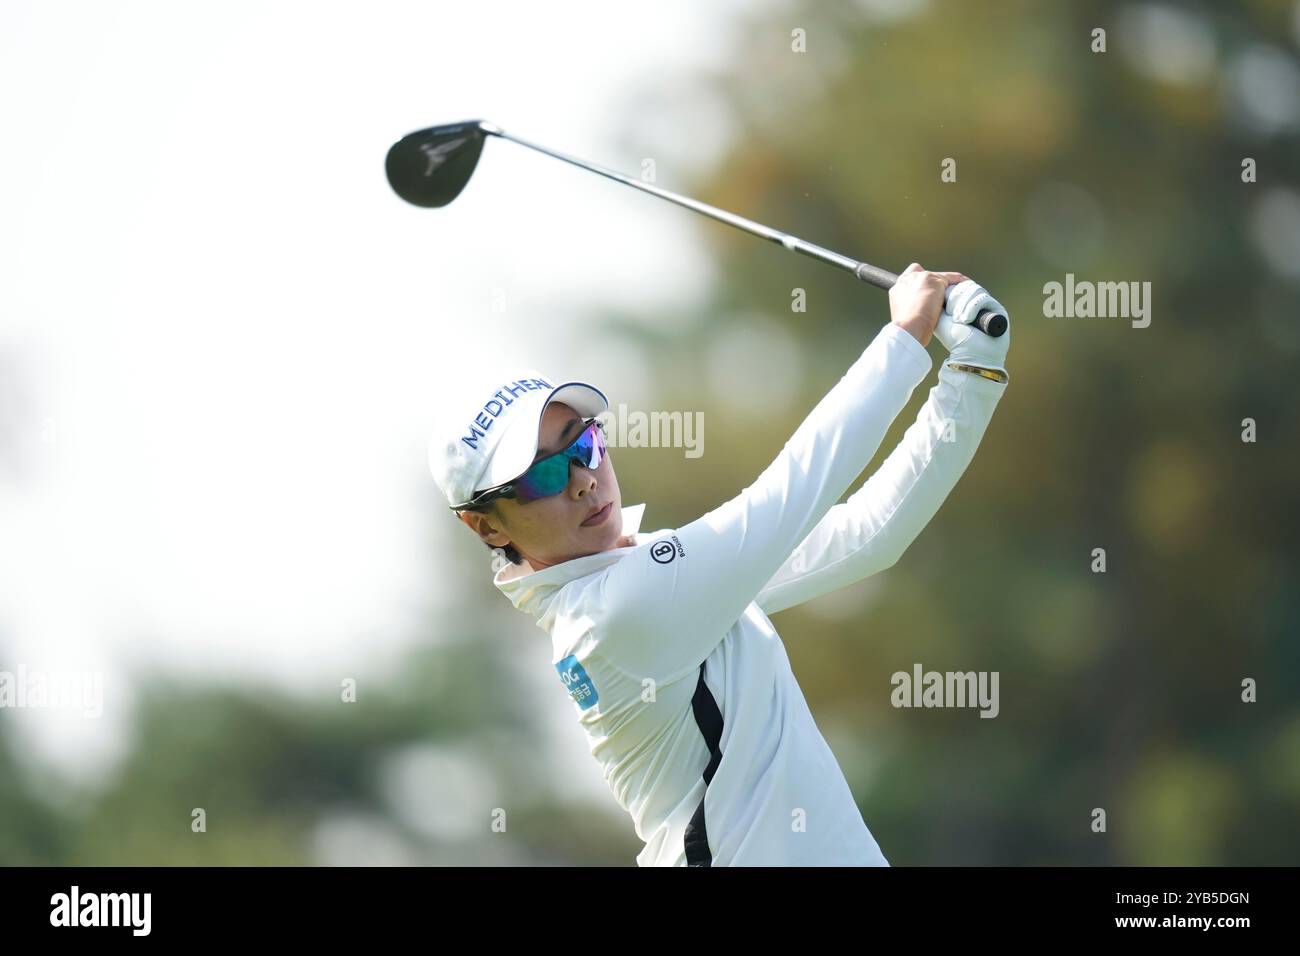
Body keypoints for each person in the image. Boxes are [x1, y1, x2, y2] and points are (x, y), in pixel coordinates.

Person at [428, 263, 1011, 865]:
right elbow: (791, 490)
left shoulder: (642, 584)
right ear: (486, 524)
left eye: (584, 444)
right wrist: (903, 338)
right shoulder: (618, 611)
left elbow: (866, 536)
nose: (583, 480)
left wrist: (972, 374)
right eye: (544, 473)